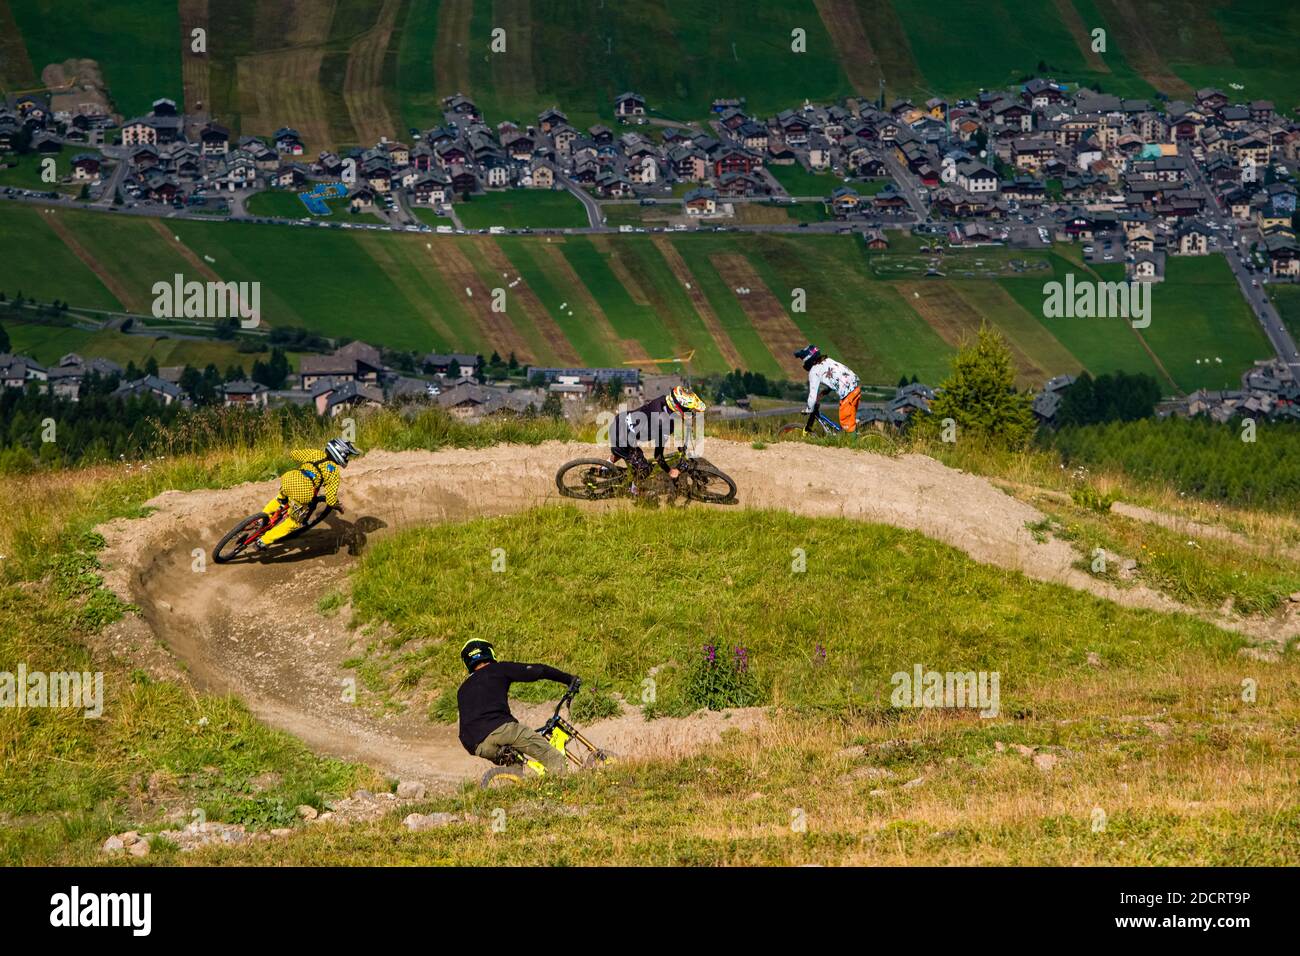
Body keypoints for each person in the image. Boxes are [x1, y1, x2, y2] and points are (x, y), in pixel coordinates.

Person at [457, 640, 579, 777]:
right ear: (489, 652)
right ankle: (566, 790)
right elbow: (538, 671)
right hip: (502, 730)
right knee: (553, 757)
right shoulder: (498, 669)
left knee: (515, 766)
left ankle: (515, 787)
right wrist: (568, 679)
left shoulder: (462, 689)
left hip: (478, 746)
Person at [256, 437, 360, 548]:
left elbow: (293, 454)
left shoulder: (315, 453)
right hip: (303, 491)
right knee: (293, 522)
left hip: (290, 478)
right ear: (341, 455)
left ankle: (259, 520)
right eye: (347, 456)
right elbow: (330, 499)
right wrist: (337, 506)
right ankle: (263, 541)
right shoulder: (333, 471)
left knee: (279, 499)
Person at [609, 384, 706, 485]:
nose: (691, 413)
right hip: (621, 438)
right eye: (689, 410)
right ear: (679, 407)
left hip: (620, 422)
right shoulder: (664, 424)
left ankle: (603, 467)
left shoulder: (662, 400)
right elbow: (658, 456)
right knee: (645, 469)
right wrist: (669, 471)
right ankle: (634, 491)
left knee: (629, 452)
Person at [794, 344, 861, 433]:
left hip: (848, 394)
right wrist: (825, 392)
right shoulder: (827, 361)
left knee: (846, 424)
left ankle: (852, 446)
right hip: (855, 387)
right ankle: (854, 436)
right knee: (849, 420)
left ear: (808, 360)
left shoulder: (814, 371)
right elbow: (836, 377)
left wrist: (809, 409)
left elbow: (812, 395)